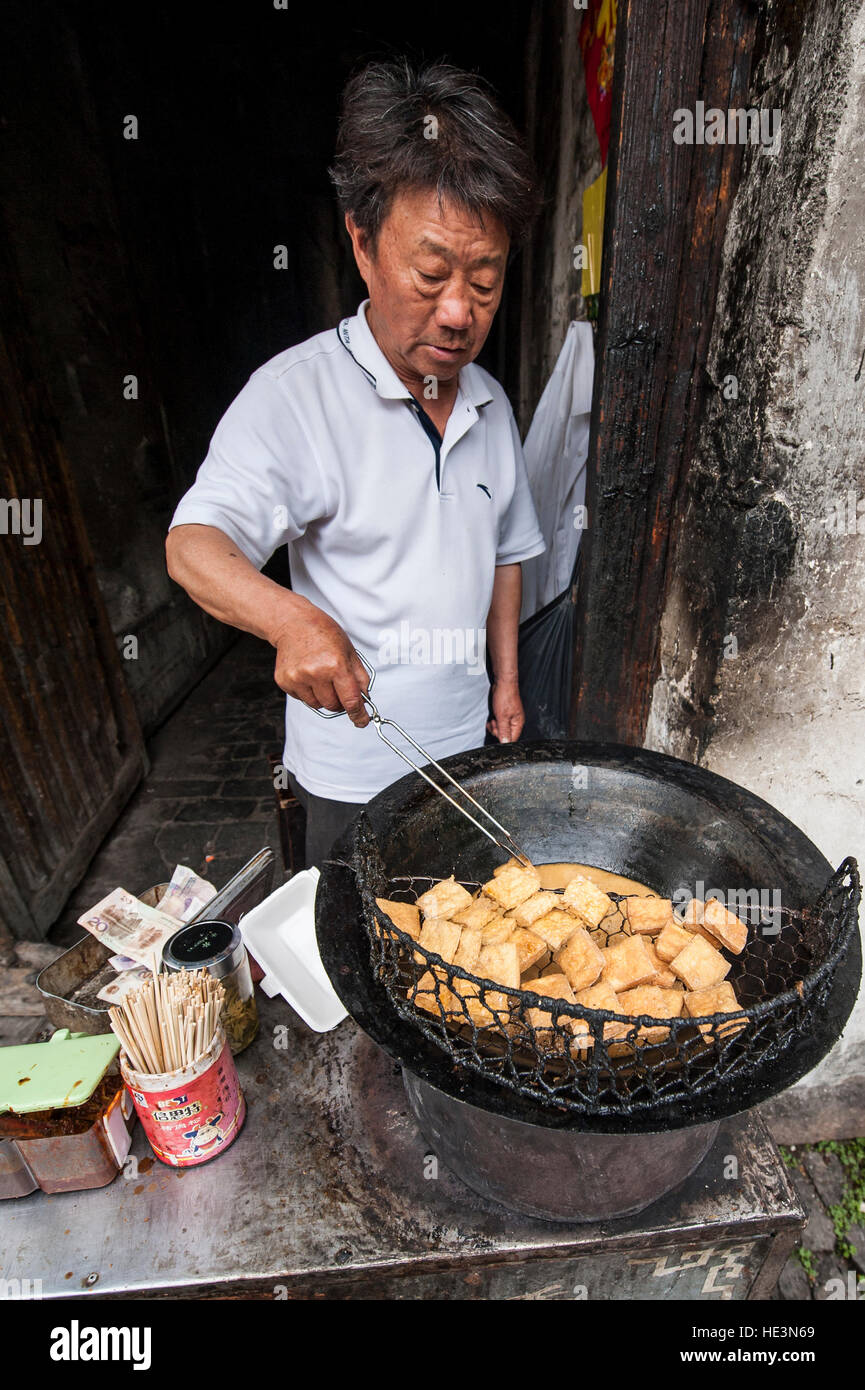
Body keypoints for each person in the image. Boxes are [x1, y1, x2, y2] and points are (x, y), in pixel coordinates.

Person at [166, 59, 545, 867]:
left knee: (457, 952)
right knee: (354, 962)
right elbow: (193, 543)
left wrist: (505, 682)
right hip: (349, 770)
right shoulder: (294, 397)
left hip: (464, 748)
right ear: (363, 242)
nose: (458, 312)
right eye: (433, 273)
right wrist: (291, 621)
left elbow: (507, 553)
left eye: (484, 282)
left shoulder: (490, 403)